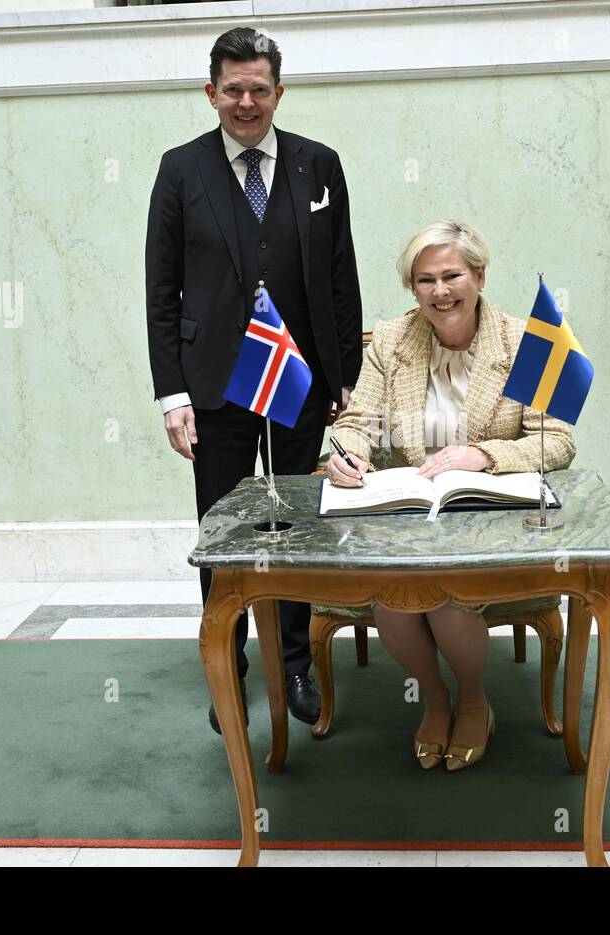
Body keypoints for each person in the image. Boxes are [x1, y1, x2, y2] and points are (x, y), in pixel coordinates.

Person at [145, 27, 363, 732]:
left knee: (300, 528)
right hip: (215, 388)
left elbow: (341, 276)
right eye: (232, 89)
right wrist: (172, 395)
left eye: (259, 89)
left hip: (300, 381)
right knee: (227, 535)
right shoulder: (180, 170)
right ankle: (228, 666)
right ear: (211, 92)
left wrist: (347, 378)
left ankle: (294, 665)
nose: (246, 101)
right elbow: (162, 289)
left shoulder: (318, 165)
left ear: (279, 91)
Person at [327, 220, 575, 771]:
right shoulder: (392, 340)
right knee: (395, 601)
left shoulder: (524, 341)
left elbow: (556, 442)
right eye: (425, 280)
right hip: (410, 517)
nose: (440, 291)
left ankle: (472, 701)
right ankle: (433, 700)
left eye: (452, 276)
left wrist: (482, 455)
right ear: (412, 288)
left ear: (479, 276)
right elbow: (358, 420)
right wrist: (347, 452)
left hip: (491, 520)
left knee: (441, 597)